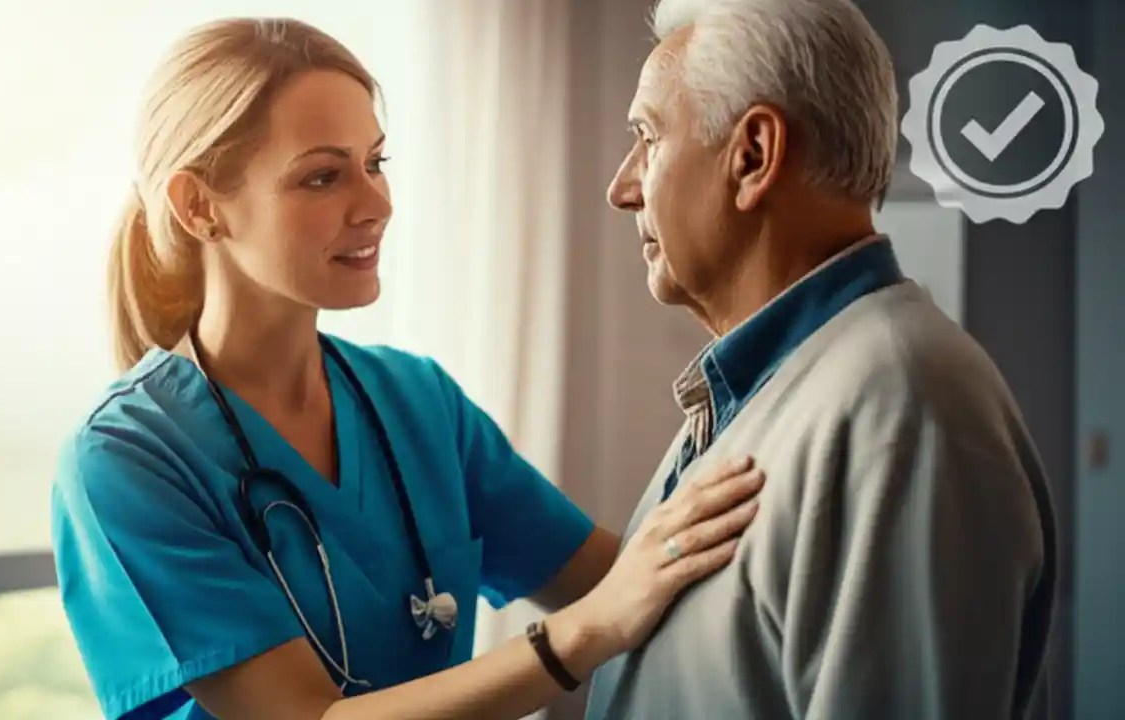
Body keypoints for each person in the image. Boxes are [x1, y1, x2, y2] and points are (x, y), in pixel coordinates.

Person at [51, 17, 766, 720]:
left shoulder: (418, 403)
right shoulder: (127, 457)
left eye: (376, 163)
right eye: (323, 177)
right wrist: (582, 635)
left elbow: (627, 580)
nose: (376, 205)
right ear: (199, 206)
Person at [582, 0, 1060, 718]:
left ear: (752, 156)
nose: (622, 187)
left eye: (647, 138)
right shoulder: (768, 391)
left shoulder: (903, 405)